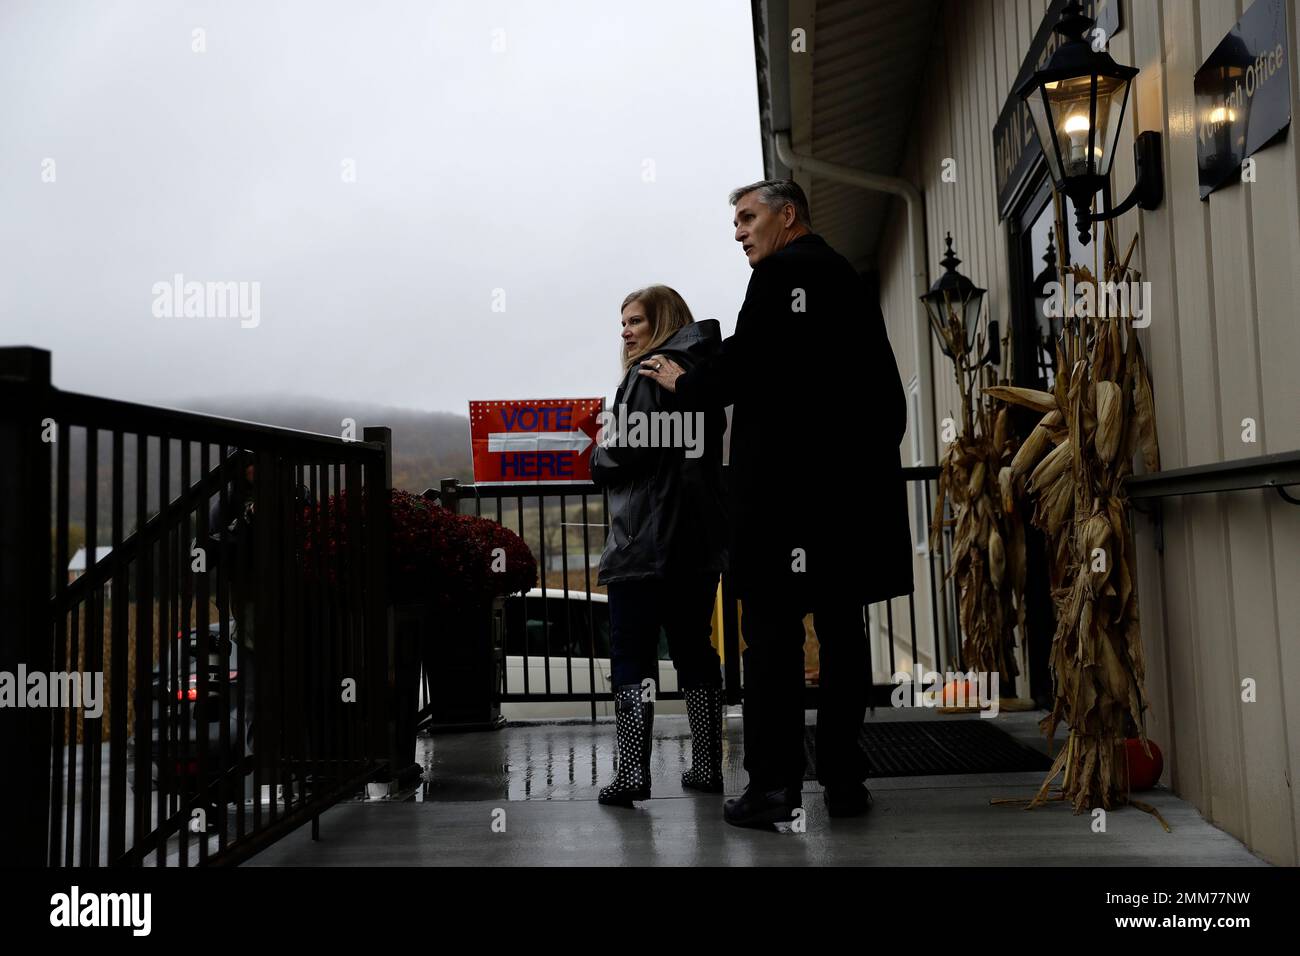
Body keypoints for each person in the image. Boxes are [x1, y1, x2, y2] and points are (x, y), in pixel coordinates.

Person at [638, 180, 913, 829]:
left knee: (772, 639)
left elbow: (751, 363)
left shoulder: (783, 273)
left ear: (787, 216)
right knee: (843, 635)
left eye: (747, 217)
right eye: (734, 221)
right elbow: (880, 397)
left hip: (787, 501)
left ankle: (773, 788)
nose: (738, 231)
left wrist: (688, 381)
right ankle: (844, 781)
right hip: (847, 500)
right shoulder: (842, 276)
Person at [590, 285, 730, 806]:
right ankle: (707, 766)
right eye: (622, 323)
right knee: (695, 649)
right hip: (694, 539)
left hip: (644, 540)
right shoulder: (698, 374)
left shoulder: (651, 371)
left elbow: (630, 448)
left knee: (632, 656)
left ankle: (631, 773)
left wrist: (596, 458)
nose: (625, 332)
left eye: (635, 321)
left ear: (662, 322)